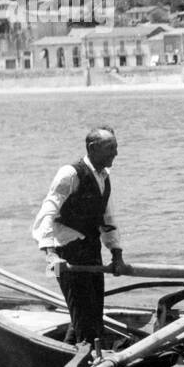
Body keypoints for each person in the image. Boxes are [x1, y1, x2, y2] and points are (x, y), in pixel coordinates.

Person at [32, 127, 125, 346]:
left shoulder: (104, 178)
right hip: (64, 255)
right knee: (84, 317)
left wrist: (116, 254)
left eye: (116, 147)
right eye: (110, 148)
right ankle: (86, 356)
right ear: (93, 148)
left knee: (92, 315)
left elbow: (108, 219)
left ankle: (70, 349)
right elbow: (47, 213)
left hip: (91, 250)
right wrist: (51, 255)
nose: (116, 153)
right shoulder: (69, 174)